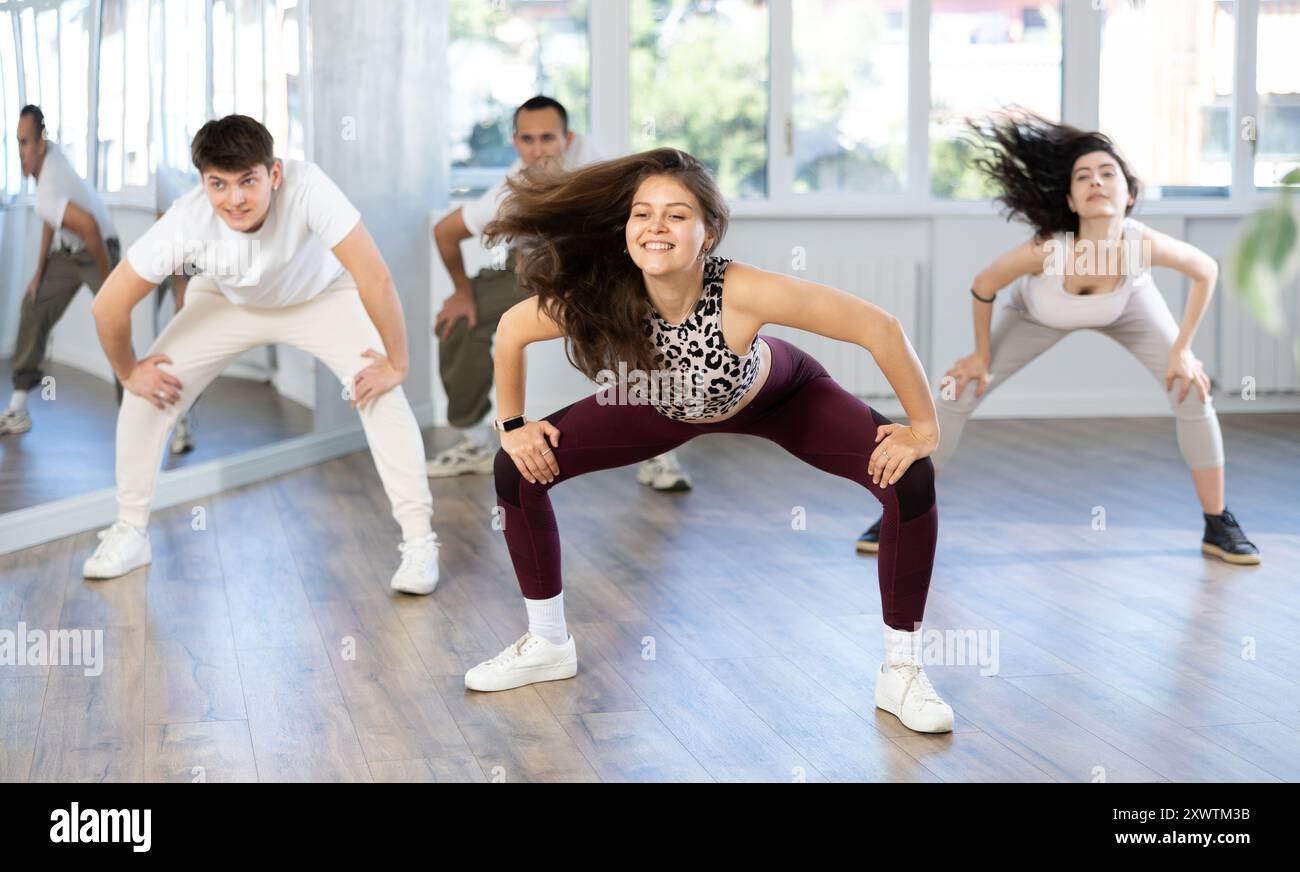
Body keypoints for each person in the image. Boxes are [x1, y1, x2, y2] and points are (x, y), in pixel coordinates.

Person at [463, 148, 954, 734]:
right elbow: (511, 330)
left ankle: (900, 671)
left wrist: (923, 428)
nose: (656, 227)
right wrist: (513, 426)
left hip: (779, 398)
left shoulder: (744, 291)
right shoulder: (605, 294)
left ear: (709, 231)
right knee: (516, 469)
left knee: (911, 476)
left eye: (676, 215)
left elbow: (881, 328)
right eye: (642, 214)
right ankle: (547, 644)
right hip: (660, 406)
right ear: (625, 231)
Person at [855, 113, 1259, 566]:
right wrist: (980, 356)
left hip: (1128, 307)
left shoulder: (1138, 244)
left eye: (1109, 174)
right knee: (956, 391)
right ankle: (899, 512)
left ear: (1129, 194)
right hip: (1038, 315)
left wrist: (1183, 351)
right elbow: (985, 283)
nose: (1097, 182)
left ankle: (1218, 522)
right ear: (1070, 199)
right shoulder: (1050, 249)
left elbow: (1206, 270)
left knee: (1191, 389)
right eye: (1083, 176)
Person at [81, 115, 440, 594]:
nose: (235, 199)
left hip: (319, 297)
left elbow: (375, 278)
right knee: (147, 394)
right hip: (225, 302)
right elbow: (108, 305)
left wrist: (397, 364)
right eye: (218, 184)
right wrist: (128, 372)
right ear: (203, 183)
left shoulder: (310, 187)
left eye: (247, 180)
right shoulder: (187, 218)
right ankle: (130, 530)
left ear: (273, 174)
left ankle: (419, 542)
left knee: (379, 391)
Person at [427, 95, 691, 491]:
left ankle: (659, 450)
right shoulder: (507, 193)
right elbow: (445, 232)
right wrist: (462, 292)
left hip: (602, 262)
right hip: (532, 265)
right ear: (516, 142)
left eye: (547, 138)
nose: (538, 149)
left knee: (643, 320)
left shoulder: (599, 168)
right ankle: (475, 443)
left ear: (567, 138)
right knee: (457, 322)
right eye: (528, 140)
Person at [1, 105, 120, 436]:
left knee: (113, 321)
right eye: (17, 142)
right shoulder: (50, 161)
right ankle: (19, 409)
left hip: (100, 248)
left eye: (25, 143)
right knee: (33, 305)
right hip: (71, 251)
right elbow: (52, 220)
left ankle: (132, 411)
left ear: (40, 144)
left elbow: (91, 227)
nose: (20, 152)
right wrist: (40, 273)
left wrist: (111, 287)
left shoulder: (48, 186)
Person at [153, 162, 198, 454]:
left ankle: (181, 419)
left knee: (184, 342)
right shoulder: (159, 176)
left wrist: (183, 287)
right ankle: (174, 418)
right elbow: (164, 233)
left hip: (195, 258)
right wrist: (180, 285)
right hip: (169, 259)